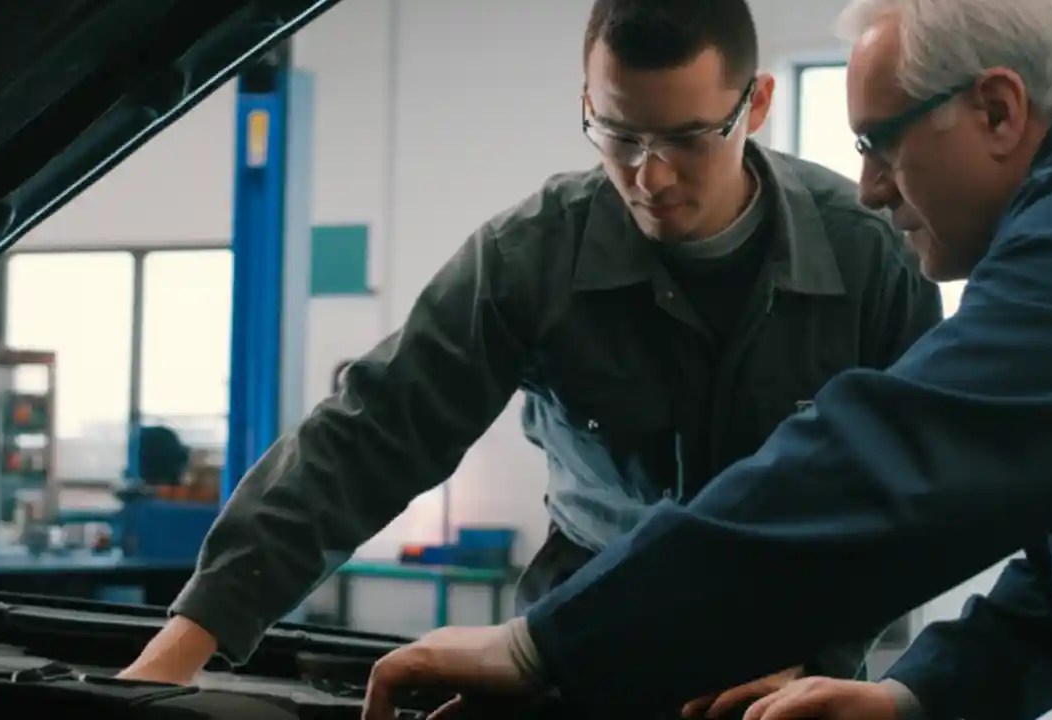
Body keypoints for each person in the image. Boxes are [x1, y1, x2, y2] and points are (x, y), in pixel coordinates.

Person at [359, 0, 1052, 718]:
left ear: (998, 109)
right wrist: (919, 692)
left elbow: (884, 466)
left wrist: (539, 645)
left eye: (881, 143)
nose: (867, 187)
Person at [116, 0, 943, 712]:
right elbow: (370, 434)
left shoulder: (872, 261)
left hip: (782, 668)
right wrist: (184, 646)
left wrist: (821, 664)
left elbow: (906, 501)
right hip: (576, 650)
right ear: (587, 98)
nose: (649, 176)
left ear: (756, 104)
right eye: (617, 134)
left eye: (688, 138)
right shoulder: (530, 255)